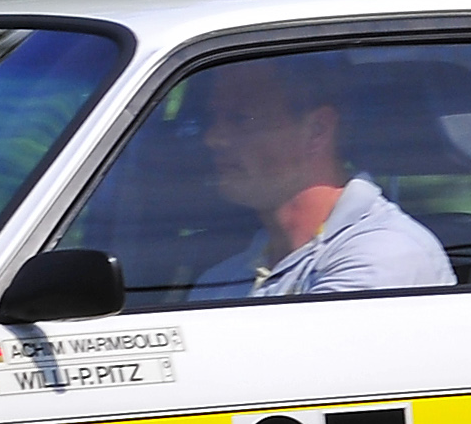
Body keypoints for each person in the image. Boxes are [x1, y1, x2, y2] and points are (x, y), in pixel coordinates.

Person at [188, 55, 454, 301]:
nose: (213, 138)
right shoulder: (224, 277)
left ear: (317, 131)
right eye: (210, 119)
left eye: (241, 118)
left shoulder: (383, 255)